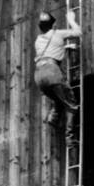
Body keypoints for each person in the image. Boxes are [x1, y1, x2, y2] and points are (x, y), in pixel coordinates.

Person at [33, 10, 81, 144]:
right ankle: (70, 138)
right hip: (52, 71)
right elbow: (78, 32)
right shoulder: (58, 33)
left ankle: (53, 118)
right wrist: (71, 19)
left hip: (39, 75)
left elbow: (51, 50)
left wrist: (66, 47)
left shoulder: (38, 40)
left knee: (58, 98)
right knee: (71, 105)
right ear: (53, 25)